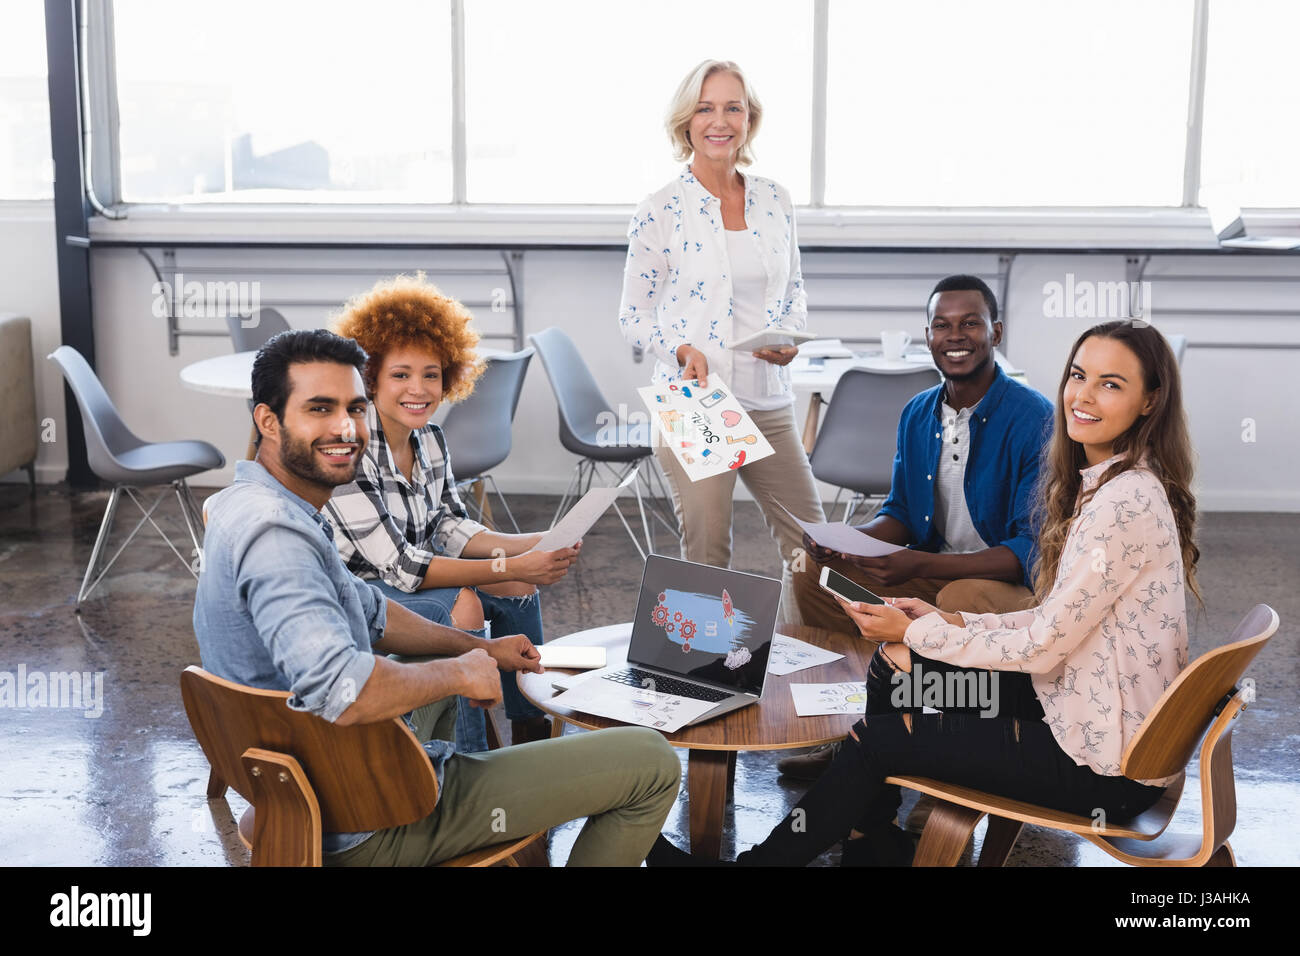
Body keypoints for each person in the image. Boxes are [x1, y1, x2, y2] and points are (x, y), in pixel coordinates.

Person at [647, 320, 1199, 866]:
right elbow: (1049, 621)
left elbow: (1043, 646)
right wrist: (944, 623)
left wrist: (919, 629)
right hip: (1074, 707)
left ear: (1151, 401)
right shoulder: (1110, 485)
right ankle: (875, 840)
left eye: (1111, 384)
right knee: (895, 668)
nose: (1082, 395)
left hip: (1100, 763)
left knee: (884, 737)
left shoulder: (1121, 506)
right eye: (1079, 375)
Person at [193, 329, 680, 866]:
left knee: (446, 641)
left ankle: (501, 746)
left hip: (303, 788)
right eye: (319, 408)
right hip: (366, 818)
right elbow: (343, 690)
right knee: (652, 760)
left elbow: (370, 607)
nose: (345, 427)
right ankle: (473, 781)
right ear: (268, 420)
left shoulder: (251, 504)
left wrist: (477, 651)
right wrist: (456, 672)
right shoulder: (279, 539)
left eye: (355, 408)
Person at [779, 274, 1056, 781]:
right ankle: (856, 730)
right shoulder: (917, 412)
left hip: (1008, 591)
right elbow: (902, 514)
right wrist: (846, 544)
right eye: (942, 325)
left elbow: (1027, 548)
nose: (956, 335)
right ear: (926, 336)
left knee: (960, 599)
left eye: (970, 323)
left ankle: (949, 765)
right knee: (809, 573)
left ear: (996, 332)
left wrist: (917, 563)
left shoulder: (1034, 417)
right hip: (933, 572)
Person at [325, 274, 579, 749]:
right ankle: (468, 761)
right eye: (400, 374)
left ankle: (530, 730)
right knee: (467, 602)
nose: (418, 389)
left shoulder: (432, 441)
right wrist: (512, 560)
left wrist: (531, 546)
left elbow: (448, 526)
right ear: (369, 377)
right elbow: (401, 567)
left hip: (410, 582)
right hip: (358, 598)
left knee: (517, 586)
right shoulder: (349, 450)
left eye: (431, 374)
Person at [617, 58, 826, 615]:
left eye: (733, 107)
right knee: (709, 557)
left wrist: (791, 335)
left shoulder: (775, 199)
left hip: (769, 398)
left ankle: (805, 670)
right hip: (697, 404)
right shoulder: (659, 208)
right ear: (686, 120)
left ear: (749, 119)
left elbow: (795, 288)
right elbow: (633, 315)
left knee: (816, 553)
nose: (720, 120)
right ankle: (700, 687)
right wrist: (680, 350)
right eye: (706, 107)